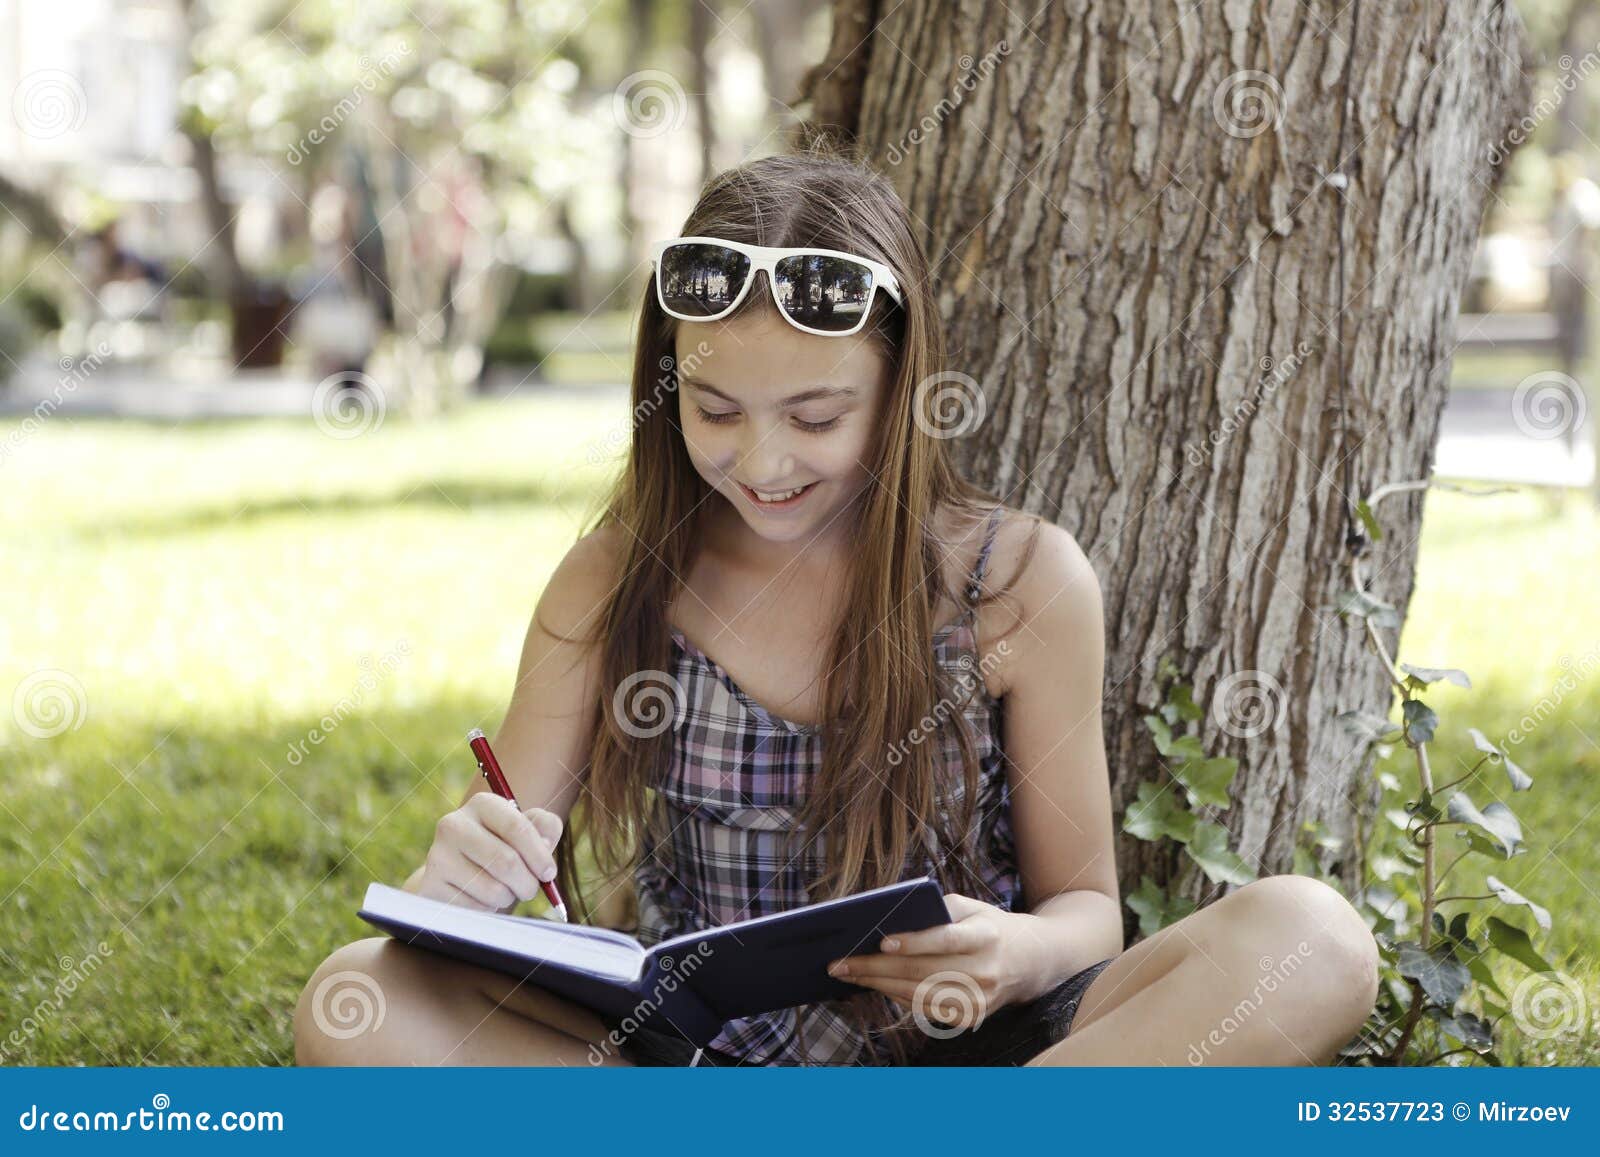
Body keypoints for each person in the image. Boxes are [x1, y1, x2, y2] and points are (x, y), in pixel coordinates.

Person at [295, 148, 1378, 1068]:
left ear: (900, 389)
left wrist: (1016, 951)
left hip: (986, 1057)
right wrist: (459, 875)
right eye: (714, 410)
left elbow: (1087, 904)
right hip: (697, 1067)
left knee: (1312, 937)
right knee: (354, 997)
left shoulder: (1018, 578)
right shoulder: (612, 578)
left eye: (816, 416)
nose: (761, 461)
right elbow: (498, 875)